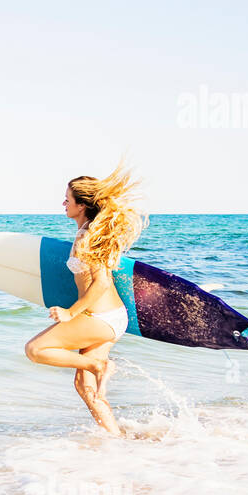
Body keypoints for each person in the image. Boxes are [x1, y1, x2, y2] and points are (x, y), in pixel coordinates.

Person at [23, 161, 148, 437]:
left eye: (67, 199)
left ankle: (98, 365)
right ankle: (115, 439)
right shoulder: (90, 233)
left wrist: (70, 313)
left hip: (99, 317)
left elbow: (101, 283)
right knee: (85, 386)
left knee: (35, 350)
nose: (63, 203)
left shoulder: (86, 238)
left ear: (81, 205)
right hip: (112, 317)